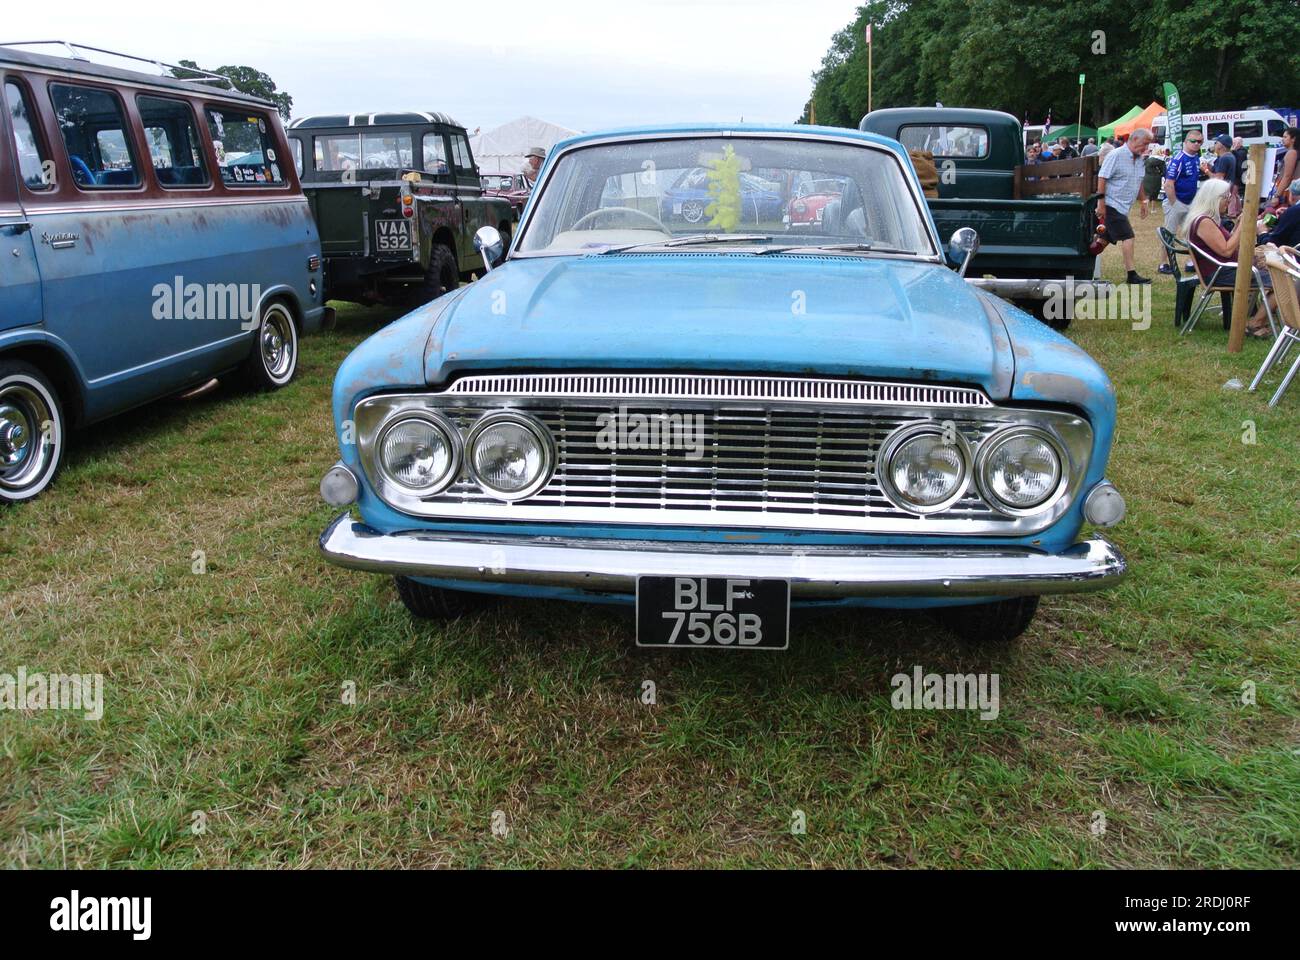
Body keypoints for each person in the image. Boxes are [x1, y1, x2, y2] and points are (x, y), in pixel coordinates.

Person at [1180, 177, 1274, 338]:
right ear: (1214, 199)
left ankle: (1255, 318)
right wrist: (1243, 226)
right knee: (1280, 281)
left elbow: (1224, 244)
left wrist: (1237, 226)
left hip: (1224, 269)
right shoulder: (1204, 222)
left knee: (1272, 274)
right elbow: (1225, 251)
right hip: (1221, 273)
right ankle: (1256, 322)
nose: (1228, 201)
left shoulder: (1207, 219)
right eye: (1226, 197)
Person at [1097, 126, 1154, 284]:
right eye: (1144, 144)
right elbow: (1102, 178)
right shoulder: (1116, 155)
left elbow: (1139, 181)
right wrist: (1101, 204)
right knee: (1128, 236)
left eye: (1148, 145)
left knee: (1101, 242)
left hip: (1123, 207)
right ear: (1134, 139)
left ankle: (1082, 260)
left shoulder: (1141, 159)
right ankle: (1131, 274)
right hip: (1111, 204)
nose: (1146, 148)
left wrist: (1143, 200)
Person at [1162, 129, 1204, 241]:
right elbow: (1168, 184)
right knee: (1169, 235)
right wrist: (1175, 204)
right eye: (1193, 141)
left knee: (1192, 234)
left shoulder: (1196, 158)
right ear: (1185, 142)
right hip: (1175, 202)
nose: (1196, 144)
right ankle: (1164, 259)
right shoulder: (1178, 159)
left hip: (1189, 203)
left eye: (1200, 142)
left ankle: (1193, 258)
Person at [1259, 178, 1300, 249]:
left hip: (1292, 257)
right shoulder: (1293, 212)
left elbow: (1273, 244)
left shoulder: (1294, 212)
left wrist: (1262, 233)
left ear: (1292, 196)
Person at [1271, 126, 1298, 205]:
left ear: (1293, 139)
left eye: (1285, 137)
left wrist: (1277, 195)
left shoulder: (1291, 153)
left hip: (1289, 192)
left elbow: (1287, 176)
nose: (1282, 139)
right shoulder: (1292, 152)